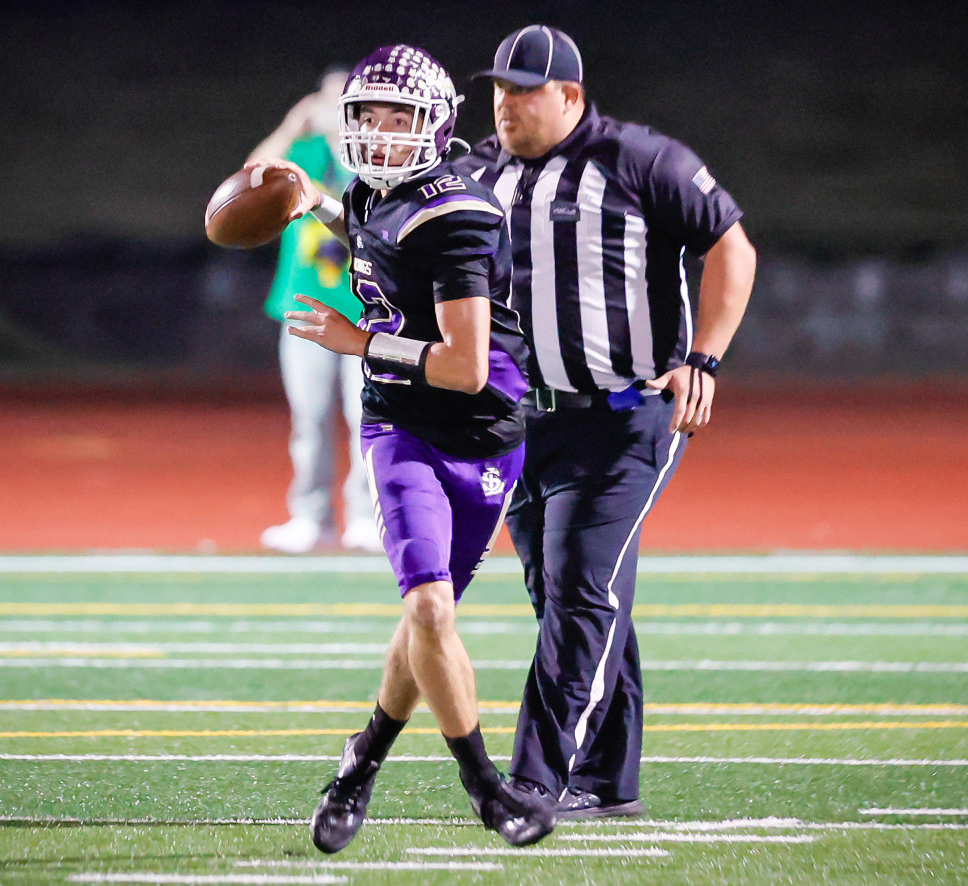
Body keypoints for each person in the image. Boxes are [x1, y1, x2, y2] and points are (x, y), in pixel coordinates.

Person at [247, 44, 556, 852]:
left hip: (483, 431)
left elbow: (460, 366)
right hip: (402, 427)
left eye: (398, 120)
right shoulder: (379, 190)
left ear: (435, 127)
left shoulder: (459, 215)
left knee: (428, 621)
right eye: (368, 119)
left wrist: (359, 343)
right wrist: (313, 199)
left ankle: (359, 764)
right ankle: (486, 788)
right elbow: (369, 228)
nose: (380, 136)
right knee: (427, 608)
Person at [460, 25, 758, 819]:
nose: (506, 103)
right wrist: (315, 204)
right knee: (561, 590)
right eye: (500, 88)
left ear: (571, 97)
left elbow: (732, 246)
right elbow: (407, 237)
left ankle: (534, 780)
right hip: (524, 421)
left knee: (580, 588)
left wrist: (705, 357)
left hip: (625, 416)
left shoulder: (641, 160)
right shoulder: (482, 170)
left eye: (524, 90)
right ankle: (607, 780)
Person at [245, 68, 380, 554]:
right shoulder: (303, 155)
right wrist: (293, 123)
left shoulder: (372, 162)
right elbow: (252, 178)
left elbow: (367, 205)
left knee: (366, 415)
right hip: (304, 309)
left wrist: (344, 138)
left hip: (365, 311)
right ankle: (311, 515)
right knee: (310, 416)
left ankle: (365, 517)